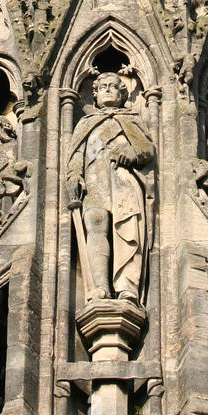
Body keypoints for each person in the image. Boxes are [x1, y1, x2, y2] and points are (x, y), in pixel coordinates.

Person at [66, 73, 156, 303]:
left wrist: (132, 154)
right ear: (94, 94)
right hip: (95, 183)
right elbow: (77, 154)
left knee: (126, 228)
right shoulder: (86, 123)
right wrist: (74, 175)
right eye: (102, 87)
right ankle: (100, 286)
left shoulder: (132, 120)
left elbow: (147, 150)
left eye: (114, 87)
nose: (108, 90)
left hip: (123, 181)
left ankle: (127, 287)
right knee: (95, 224)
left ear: (122, 94)